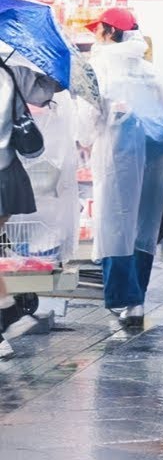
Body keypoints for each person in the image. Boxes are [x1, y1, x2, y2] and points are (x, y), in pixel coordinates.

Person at [86, 8, 163, 329]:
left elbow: (88, 119)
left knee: (116, 227)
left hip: (119, 156)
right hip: (155, 157)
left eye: (98, 29)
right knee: (144, 228)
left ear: (110, 32)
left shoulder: (101, 66)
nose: (95, 34)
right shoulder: (148, 69)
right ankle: (137, 302)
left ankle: (122, 298)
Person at [0, 63, 37, 359]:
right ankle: (9, 314)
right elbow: (47, 89)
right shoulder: (11, 72)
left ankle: (10, 315)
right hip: (8, 172)